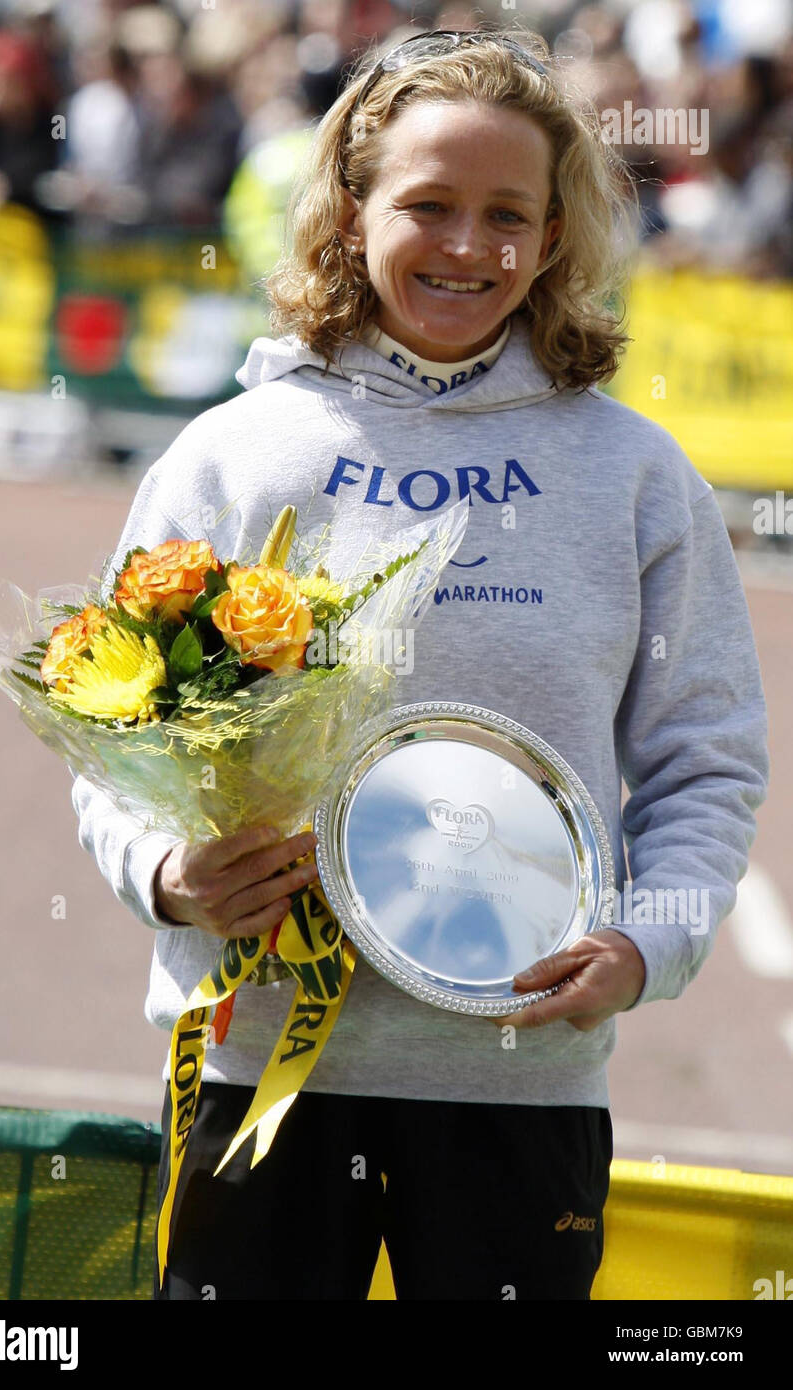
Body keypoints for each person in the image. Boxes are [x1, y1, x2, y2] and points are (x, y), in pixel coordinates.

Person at [71, 25, 769, 1301]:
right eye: (428, 204)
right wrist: (168, 874)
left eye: (507, 213)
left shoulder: (636, 478)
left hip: (518, 1079)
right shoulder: (232, 454)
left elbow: (704, 764)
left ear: (553, 236)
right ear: (351, 209)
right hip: (253, 1068)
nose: (465, 245)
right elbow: (110, 736)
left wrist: (642, 941)